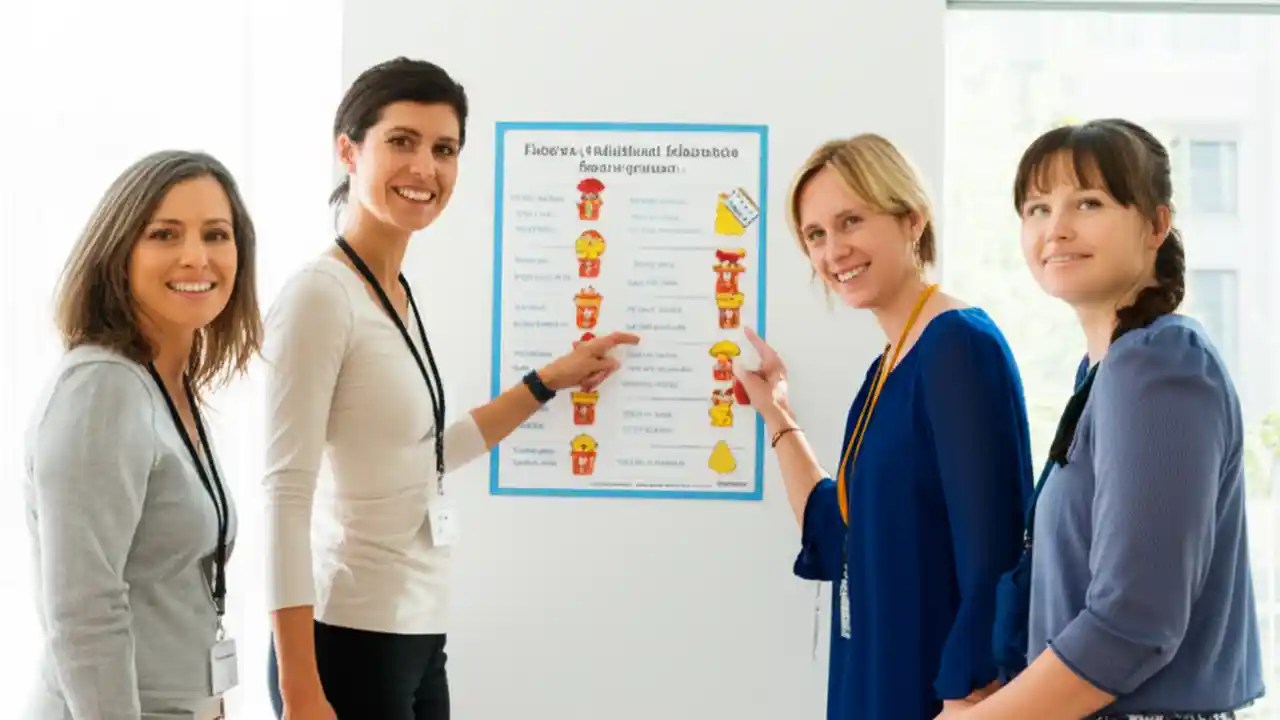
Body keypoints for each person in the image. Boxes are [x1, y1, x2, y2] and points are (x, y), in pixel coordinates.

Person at [263, 57, 638, 720]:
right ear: (348, 150)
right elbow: (284, 496)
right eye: (402, 141)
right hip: (345, 639)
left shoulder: (397, 294)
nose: (425, 169)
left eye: (444, 149)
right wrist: (299, 691)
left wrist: (549, 380)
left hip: (417, 631)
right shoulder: (321, 296)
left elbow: (430, 450)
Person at [942, 120, 1266, 720]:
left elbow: (1134, 622)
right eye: (1037, 208)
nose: (1055, 228)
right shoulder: (1106, 372)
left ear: (1156, 225)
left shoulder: (1159, 363)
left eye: (1088, 203)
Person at [733, 133, 1034, 719]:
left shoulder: (957, 346)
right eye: (815, 235)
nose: (833, 251)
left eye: (851, 221)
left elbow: (995, 555)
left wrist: (967, 689)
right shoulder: (886, 368)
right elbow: (837, 525)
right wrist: (778, 414)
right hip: (871, 675)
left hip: (933, 690)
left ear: (912, 220)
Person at [23, 150, 263, 719]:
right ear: (118, 253)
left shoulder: (163, 382)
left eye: (216, 234)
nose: (195, 256)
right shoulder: (101, 390)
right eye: (164, 234)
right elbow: (84, 613)